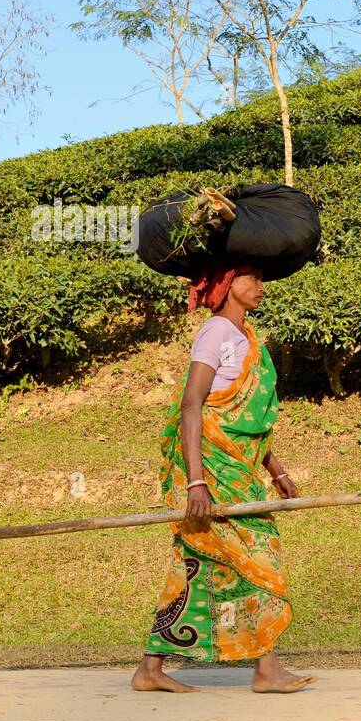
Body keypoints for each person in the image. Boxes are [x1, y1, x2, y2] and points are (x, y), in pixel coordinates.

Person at [131, 261, 315, 694]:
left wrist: (277, 469)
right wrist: (196, 483)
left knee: (196, 565)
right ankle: (267, 668)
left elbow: (244, 422)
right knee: (260, 552)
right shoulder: (215, 333)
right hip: (212, 470)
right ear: (229, 285)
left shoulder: (247, 338)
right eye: (252, 277)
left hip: (241, 468)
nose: (261, 286)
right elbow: (194, 405)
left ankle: (150, 668)